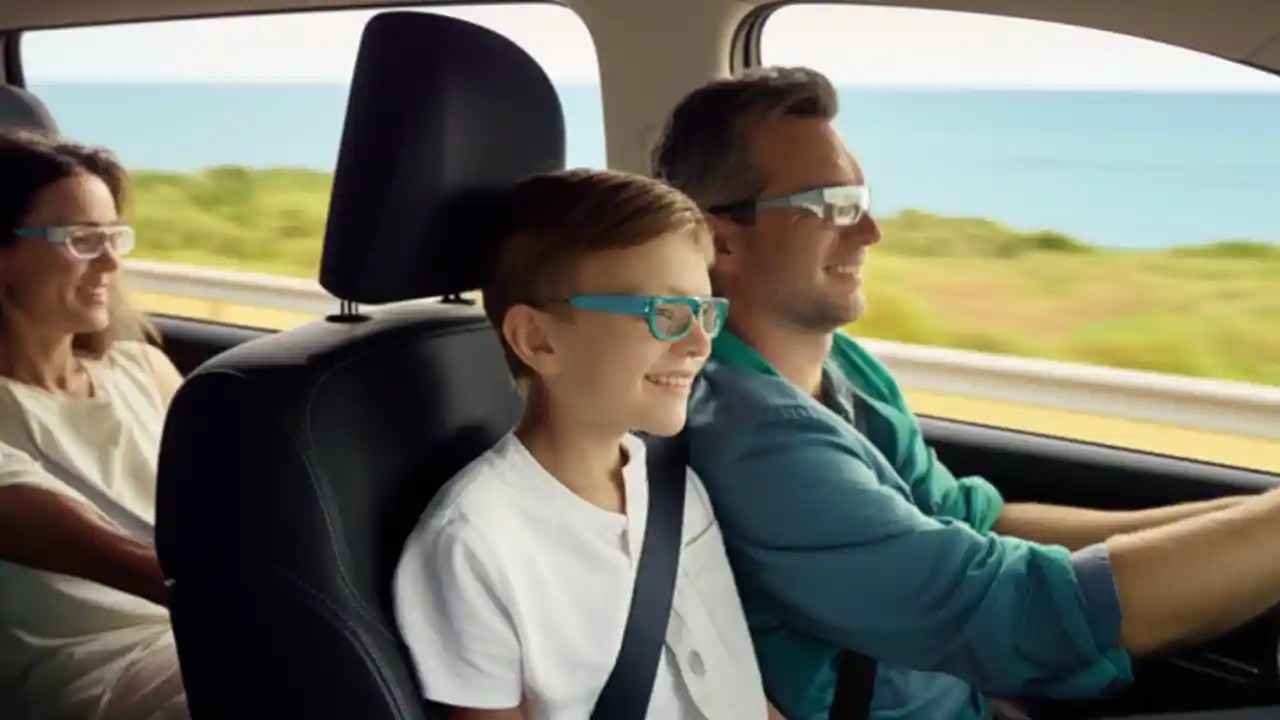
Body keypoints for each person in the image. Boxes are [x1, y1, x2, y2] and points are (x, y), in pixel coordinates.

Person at [651, 66, 1280, 720]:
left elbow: (972, 521)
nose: (870, 233)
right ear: (721, 238)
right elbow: (1014, 617)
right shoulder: (749, 442)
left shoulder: (844, 370)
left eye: (861, 200)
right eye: (832, 206)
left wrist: (1251, 519)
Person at [392, 168, 778, 719]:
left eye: (705, 312)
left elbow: (732, 688)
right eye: (665, 314)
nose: (699, 343)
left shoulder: (674, 487)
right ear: (539, 339)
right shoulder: (474, 544)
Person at [0, 129, 189, 720]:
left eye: (113, 236)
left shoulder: (144, 370)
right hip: (99, 671)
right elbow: (97, 552)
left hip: (199, 637)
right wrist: (244, 594)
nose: (111, 261)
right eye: (82, 239)